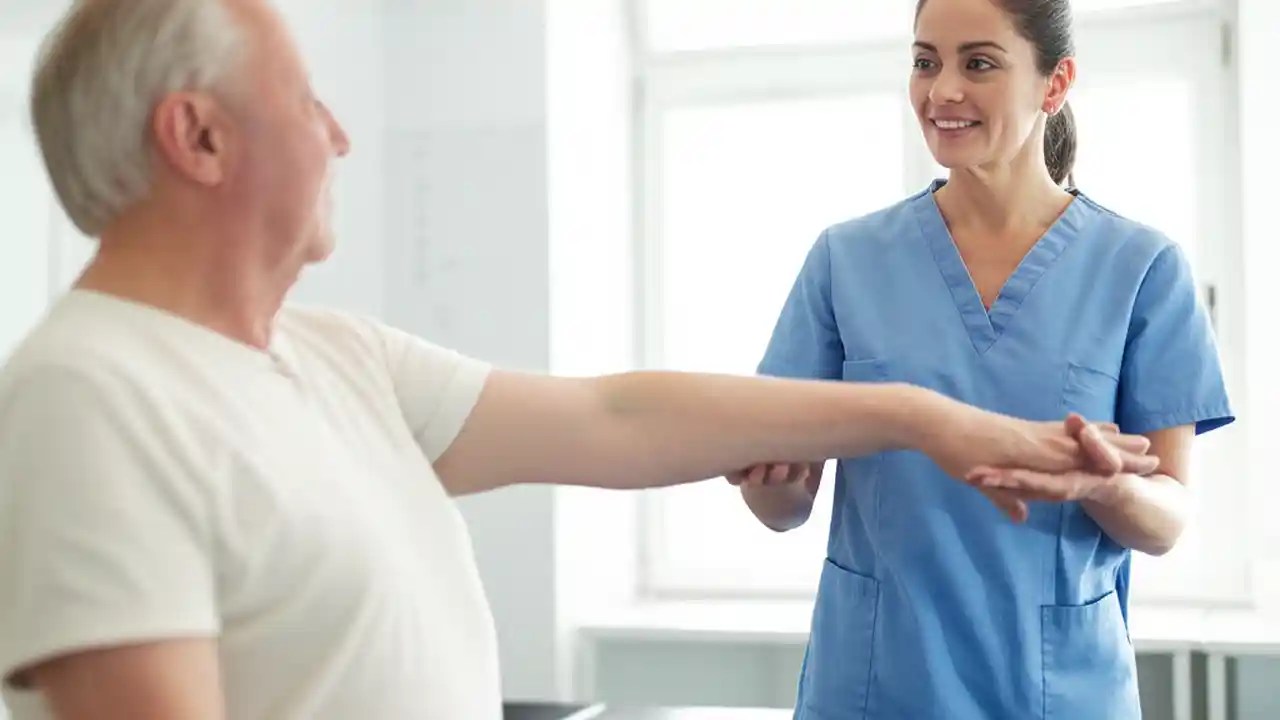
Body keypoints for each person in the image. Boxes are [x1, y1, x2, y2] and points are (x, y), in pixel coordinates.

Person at [0, 1, 1157, 719]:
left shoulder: (329, 356)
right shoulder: (90, 394)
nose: (341, 134)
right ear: (198, 136)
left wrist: (917, 415)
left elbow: (611, 418)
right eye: (304, 100)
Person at [730, 0, 1235, 717]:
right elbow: (782, 508)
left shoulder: (1141, 268)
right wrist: (768, 478)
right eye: (925, 61)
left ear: (1053, 85)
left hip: (1057, 692)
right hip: (877, 687)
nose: (942, 91)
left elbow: (1167, 519)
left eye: (979, 63)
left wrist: (1103, 487)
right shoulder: (847, 261)